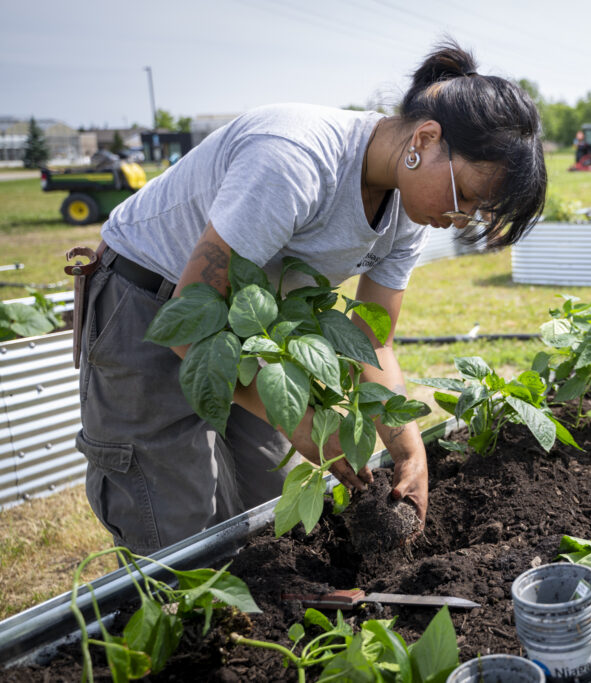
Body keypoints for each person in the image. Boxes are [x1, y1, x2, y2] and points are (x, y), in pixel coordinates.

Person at [72, 40, 546, 555]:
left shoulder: (408, 213)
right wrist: (296, 422)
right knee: (177, 525)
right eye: (466, 197)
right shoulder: (293, 161)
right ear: (426, 140)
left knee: (269, 507)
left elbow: (371, 342)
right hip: (149, 304)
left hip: (252, 322)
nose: (461, 218)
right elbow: (191, 320)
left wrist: (409, 450)